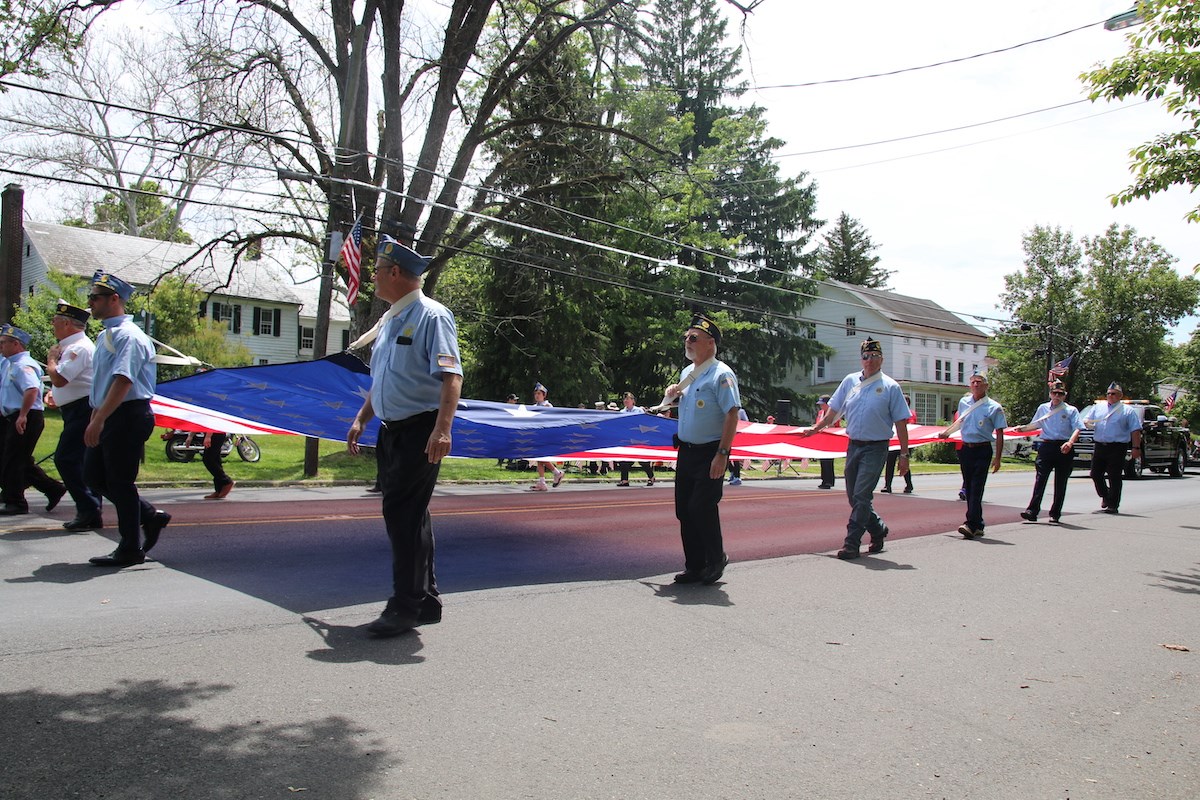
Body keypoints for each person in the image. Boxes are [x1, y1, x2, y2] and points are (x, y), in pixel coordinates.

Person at [347, 235, 463, 637]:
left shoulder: (432, 316)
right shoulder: (391, 320)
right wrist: (363, 417)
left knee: (402, 516)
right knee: (413, 517)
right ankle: (425, 600)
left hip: (420, 430)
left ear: (395, 272)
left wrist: (442, 430)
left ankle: (404, 605)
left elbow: (452, 377)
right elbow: (383, 379)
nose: (373, 278)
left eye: (377, 271)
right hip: (390, 430)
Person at [83, 272, 171, 567]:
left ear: (114, 299)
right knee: (93, 476)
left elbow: (123, 381)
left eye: (95, 298)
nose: (90, 303)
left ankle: (130, 547)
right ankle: (148, 516)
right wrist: (96, 416)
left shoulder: (130, 337)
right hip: (109, 413)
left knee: (120, 481)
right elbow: (102, 383)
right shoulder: (104, 335)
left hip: (128, 414)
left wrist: (99, 419)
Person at [804, 337, 910, 559]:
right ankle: (878, 529)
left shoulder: (891, 387)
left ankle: (851, 543)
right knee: (854, 497)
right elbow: (833, 412)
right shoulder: (850, 381)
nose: (869, 360)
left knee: (862, 495)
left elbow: (901, 423)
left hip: (876, 447)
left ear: (881, 359)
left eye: (874, 356)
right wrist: (815, 429)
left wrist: (904, 455)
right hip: (854, 445)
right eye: (865, 356)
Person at [664, 313, 740, 585]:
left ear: (710, 343)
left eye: (693, 338)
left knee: (701, 507)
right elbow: (687, 409)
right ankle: (695, 566)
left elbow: (732, 414)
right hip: (686, 452)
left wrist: (722, 454)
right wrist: (672, 399)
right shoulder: (687, 374)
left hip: (710, 452)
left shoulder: (721, 374)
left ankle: (716, 558)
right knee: (684, 510)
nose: (687, 341)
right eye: (686, 337)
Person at [45, 300, 102, 530]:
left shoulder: (78, 347)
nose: (52, 324)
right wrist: (56, 395)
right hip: (76, 409)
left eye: (56, 320)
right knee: (81, 462)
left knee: (66, 459)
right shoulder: (71, 346)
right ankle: (90, 509)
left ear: (67, 323)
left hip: (82, 410)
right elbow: (65, 382)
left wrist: (50, 359)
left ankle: (88, 508)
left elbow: (60, 377)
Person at [0, 324, 66, 516]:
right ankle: (52, 488)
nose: (1, 346)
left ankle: (16, 502)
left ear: (16, 344)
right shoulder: (10, 363)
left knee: (13, 460)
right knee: (14, 458)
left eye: (4, 343)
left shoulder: (24, 365)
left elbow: (31, 390)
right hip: (12, 416)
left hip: (25, 416)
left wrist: (22, 415)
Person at [938, 371, 1006, 539]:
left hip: (982, 450)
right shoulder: (964, 402)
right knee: (969, 488)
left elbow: (1000, 432)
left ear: (986, 386)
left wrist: (998, 458)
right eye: (973, 381)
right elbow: (961, 422)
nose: (976, 384)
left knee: (976, 487)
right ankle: (978, 524)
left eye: (979, 381)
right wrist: (947, 432)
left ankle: (970, 524)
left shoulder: (994, 407)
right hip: (966, 449)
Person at [1014, 381, 1082, 524]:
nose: (1057, 396)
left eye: (1060, 393)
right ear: (1050, 393)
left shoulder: (1071, 410)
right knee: (1040, 479)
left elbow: (1077, 428)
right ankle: (1032, 511)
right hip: (1047, 447)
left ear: (1064, 395)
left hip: (1063, 447)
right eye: (1054, 393)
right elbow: (1036, 424)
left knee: (1060, 481)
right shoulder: (1043, 408)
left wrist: (1070, 442)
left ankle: (1055, 513)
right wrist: (1023, 429)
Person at [1081, 381, 1143, 515]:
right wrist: (1087, 423)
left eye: (1114, 394)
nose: (1110, 396)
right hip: (1100, 445)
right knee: (1095, 474)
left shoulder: (1127, 411)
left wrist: (1136, 447)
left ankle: (1113, 505)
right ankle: (1105, 495)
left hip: (1117, 446)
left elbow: (1135, 430)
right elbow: (1087, 420)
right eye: (1108, 393)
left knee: (1114, 476)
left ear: (1120, 395)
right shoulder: (1098, 407)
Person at [529, 382, 565, 491]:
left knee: (540, 457)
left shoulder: (548, 406)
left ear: (544, 395)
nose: (537, 395)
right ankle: (542, 481)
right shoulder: (533, 407)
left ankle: (556, 473)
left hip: (546, 435)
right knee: (539, 458)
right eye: (536, 393)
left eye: (539, 393)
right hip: (537, 435)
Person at [616, 391, 655, 487]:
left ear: (633, 401)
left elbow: (644, 424)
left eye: (627, 399)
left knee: (642, 460)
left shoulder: (639, 411)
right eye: (624, 399)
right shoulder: (621, 412)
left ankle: (651, 477)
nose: (625, 401)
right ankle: (624, 480)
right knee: (624, 459)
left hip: (638, 438)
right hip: (627, 439)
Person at [882, 394, 917, 494]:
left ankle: (909, 485)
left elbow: (911, 426)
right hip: (893, 441)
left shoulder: (910, 413)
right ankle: (887, 485)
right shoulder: (892, 412)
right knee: (890, 463)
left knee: (904, 463)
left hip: (904, 443)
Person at [201, 432, 235, 499]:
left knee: (208, 459)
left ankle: (226, 481)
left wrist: (208, 436)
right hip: (212, 434)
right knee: (216, 460)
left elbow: (212, 422)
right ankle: (219, 489)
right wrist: (190, 436)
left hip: (215, 433)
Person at [813, 395, 837, 489]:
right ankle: (824, 479)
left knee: (828, 461)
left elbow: (835, 427)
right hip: (821, 439)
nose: (821, 406)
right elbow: (818, 423)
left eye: (823, 404)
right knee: (822, 461)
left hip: (829, 440)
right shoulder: (820, 413)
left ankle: (829, 481)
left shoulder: (834, 413)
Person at [727, 407, 749, 485]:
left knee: (736, 457)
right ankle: (732, 472)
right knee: (727, 455)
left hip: (737, 436)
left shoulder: (741, 411)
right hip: (728, 435)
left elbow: (746, 422)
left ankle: (737, 477)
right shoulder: (726, 410)